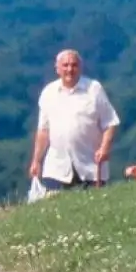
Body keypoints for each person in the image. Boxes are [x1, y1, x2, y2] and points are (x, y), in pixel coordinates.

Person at [27, 49, 121, 198]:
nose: (69, 69)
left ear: (80, 67)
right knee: (53, 207)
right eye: (65, 65)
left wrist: (104, 148)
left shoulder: (93, 89)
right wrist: (36, 160)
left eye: (74, 65)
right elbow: (43, 131)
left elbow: (110, 122)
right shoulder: (49, 93)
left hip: (90, 163)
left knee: (93, 207)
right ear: (57, 68)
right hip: (57, 165)